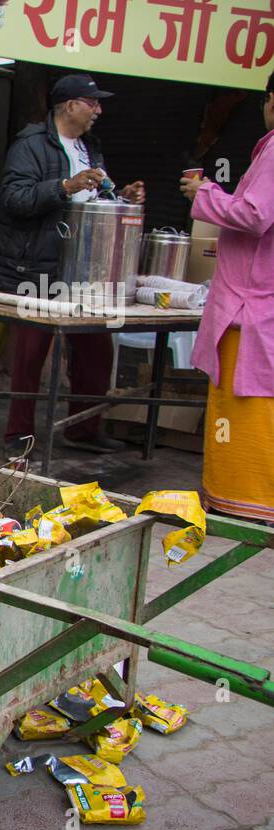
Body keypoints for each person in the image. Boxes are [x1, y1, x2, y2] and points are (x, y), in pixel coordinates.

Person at [0, 74, 146, 455]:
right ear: (70, 105)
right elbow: (15, 199)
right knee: (30, 354)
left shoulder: (91, 147)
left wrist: (122, 196)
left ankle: (83, 430)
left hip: (84, 270)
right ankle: (18, 436)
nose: (99, 110)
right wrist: (65, 186)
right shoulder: (30, 145)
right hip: (35, 267)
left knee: (96, 351)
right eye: (93, 103)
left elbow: (96, 198)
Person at [180, 72, 274, 523]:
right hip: (260, 301)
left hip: (251, 304)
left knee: (243, 399)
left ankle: (244, 500)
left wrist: (207, 193)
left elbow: (255, 215)